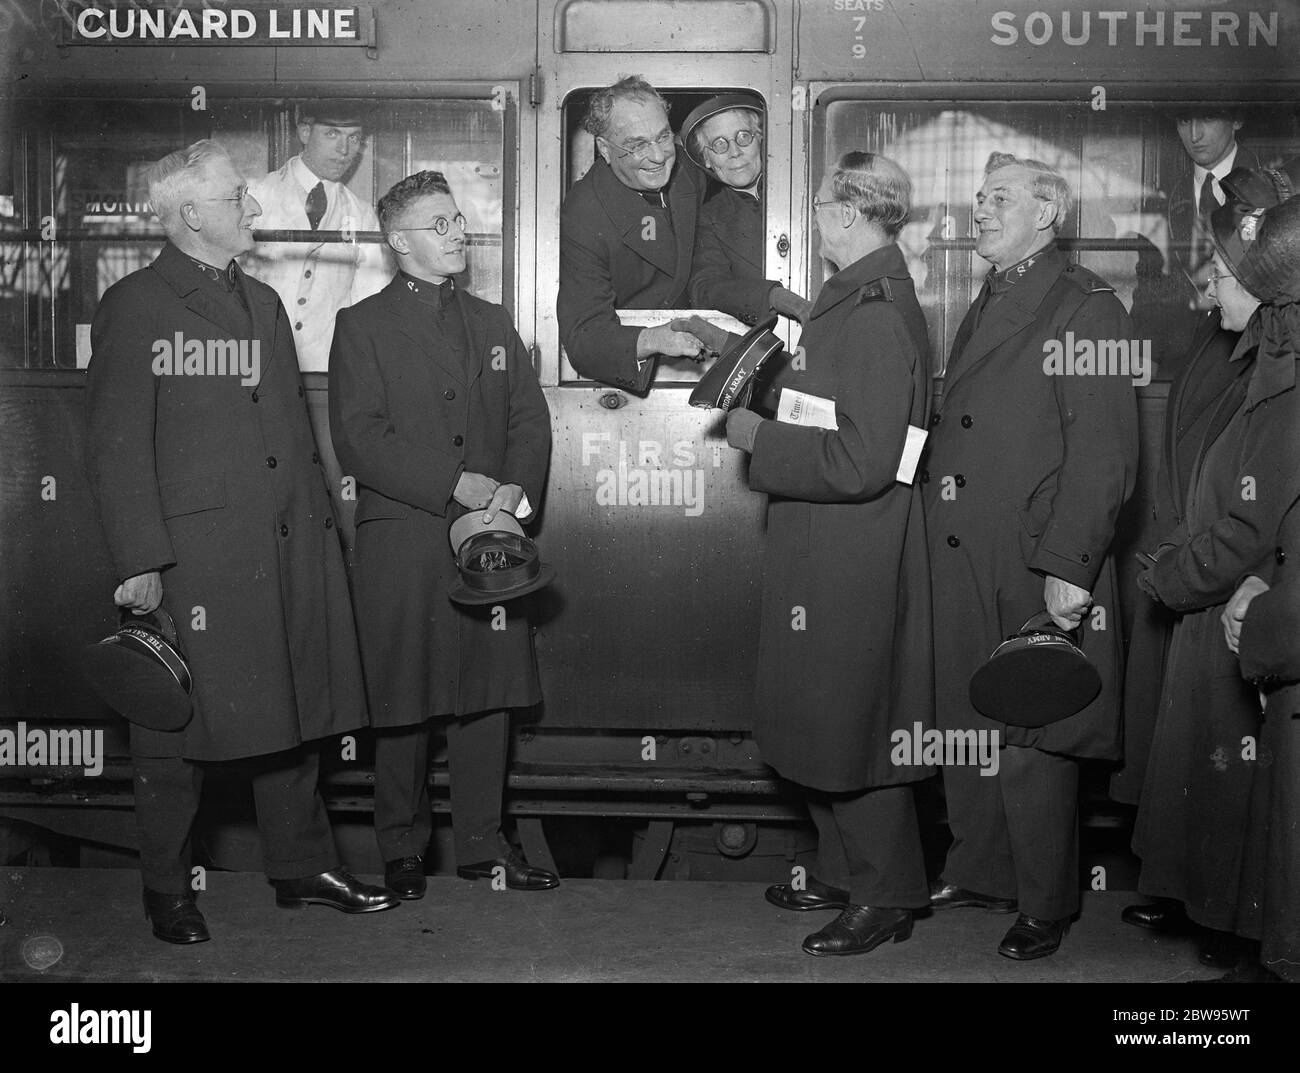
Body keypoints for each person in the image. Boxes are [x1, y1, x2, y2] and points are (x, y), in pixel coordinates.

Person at [84, 140, 398, 944]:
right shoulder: (136, 305)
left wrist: (321, 534)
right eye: (237, 198)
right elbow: (115, 447)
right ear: (191, 215)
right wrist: (140, 565)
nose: (254, 209)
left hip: (286, 541)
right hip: (195, 559)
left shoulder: (260, 303)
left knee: (288, 712)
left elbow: (288, 429)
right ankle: (166, 891)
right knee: (174, 732)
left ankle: (300, 865)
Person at [922, 153, 1138, 960]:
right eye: (978, 195)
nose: (978, 208)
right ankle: (980, 866)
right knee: (969, 714)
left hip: (1035, 552)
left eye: (998, 198)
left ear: (1047, 213)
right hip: (968, 543)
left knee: (1034, 727)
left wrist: (1071, 565)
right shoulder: (997, 292)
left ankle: (1045, 899)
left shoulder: (1088, 307)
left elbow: (1105, 453)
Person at [721, 152, 933, 956]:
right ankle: (847, 876)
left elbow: (862, 458)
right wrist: (768, 395)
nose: (813, 221)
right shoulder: (856, 300)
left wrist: (757, 435)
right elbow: (841, 415)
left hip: (850, 555)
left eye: (817, 208)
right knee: (827, 720)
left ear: (846, 213)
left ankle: (888, 896)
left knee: (858, 727)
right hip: (831, 549)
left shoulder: (875, 311)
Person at [328, 171, 557, 898]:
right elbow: (360, 438)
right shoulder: (361, 325)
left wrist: (514, 495)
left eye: (458, 218)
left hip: (489, 541)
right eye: (440, 223)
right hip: (404, 541)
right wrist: (452, 482)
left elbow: (529, 419)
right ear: (399, 242)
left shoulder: (491, 321)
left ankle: (485, 845)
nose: (459, 231)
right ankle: (400, 849)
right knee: (402, 701)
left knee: (487, 695)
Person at [1118, 162, 1298, 966]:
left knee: (1236, 795)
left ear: (1271, 294)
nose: (1206, 289)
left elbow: (1252, 527)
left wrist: (1170, 574)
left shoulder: (1280, 390)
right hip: (1218, 604)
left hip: (1235, 615)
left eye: (1222, 275)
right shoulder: (1255, 362)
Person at [557, 76, 706, 393]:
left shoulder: (687, 172)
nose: (658, 156)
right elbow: (583, 337)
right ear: (605, 150)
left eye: (663, 137)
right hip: (646, 374)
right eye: (638, 145)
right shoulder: (584, 212)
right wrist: (655, 339)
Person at [242, 103, 392, 372]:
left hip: (327, 375)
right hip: (259, 369)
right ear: (305, 132)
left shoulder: (362, 214)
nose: (345, 150)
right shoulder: (256, 197)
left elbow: (369, 306)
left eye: (354, 138)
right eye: (332, 134)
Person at [681, 94, 811, 327]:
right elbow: (705, 288)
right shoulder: (707, 218)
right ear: (707, 159)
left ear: (760, 139)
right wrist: (773, 297)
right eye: (719, 144)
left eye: (743, 137)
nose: (734, 152)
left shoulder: (804, 188)